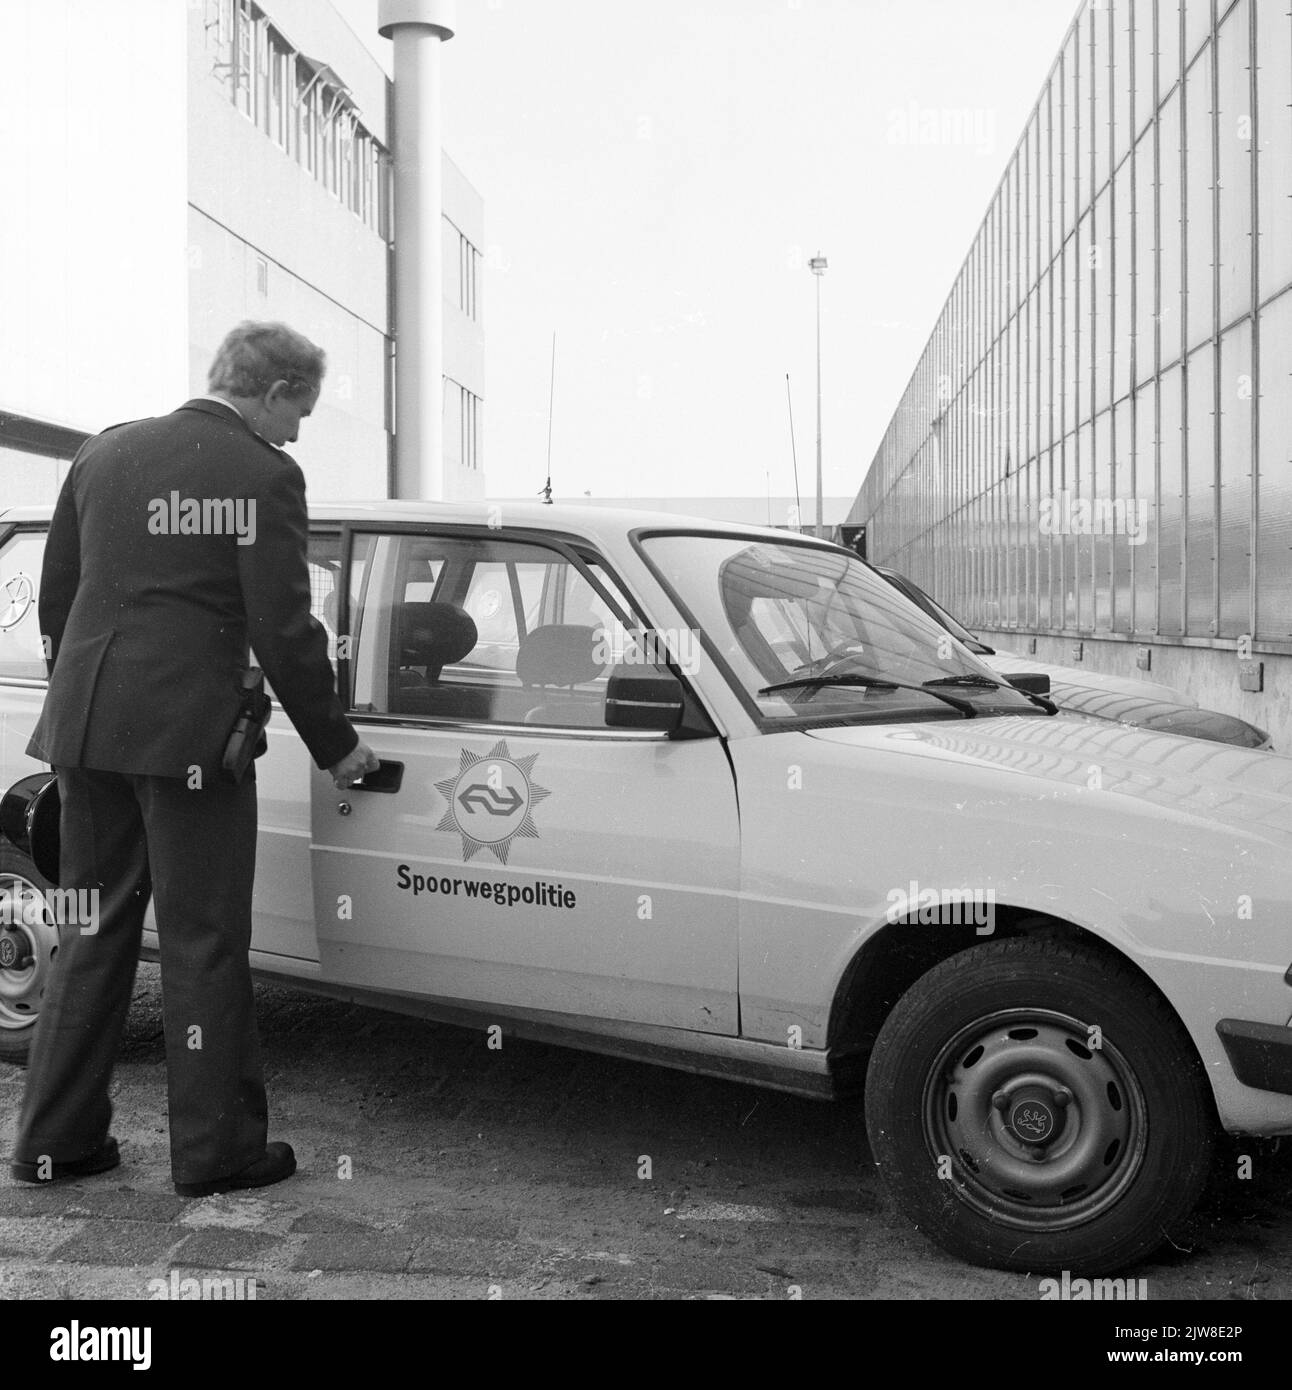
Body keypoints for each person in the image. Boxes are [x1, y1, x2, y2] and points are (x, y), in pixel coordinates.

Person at [10, 321, 378, 1197]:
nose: (297, 433)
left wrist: (92, 708)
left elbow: (57, 601)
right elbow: (283, 629)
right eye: (302, 411)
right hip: (192, 748)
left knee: (90, 929)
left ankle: (52, 1145)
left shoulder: (103, 454)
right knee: (203, 942)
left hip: (85, 735)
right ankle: (218, 1156)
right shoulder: (261, 473)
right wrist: (338, 744)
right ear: (276, 389)